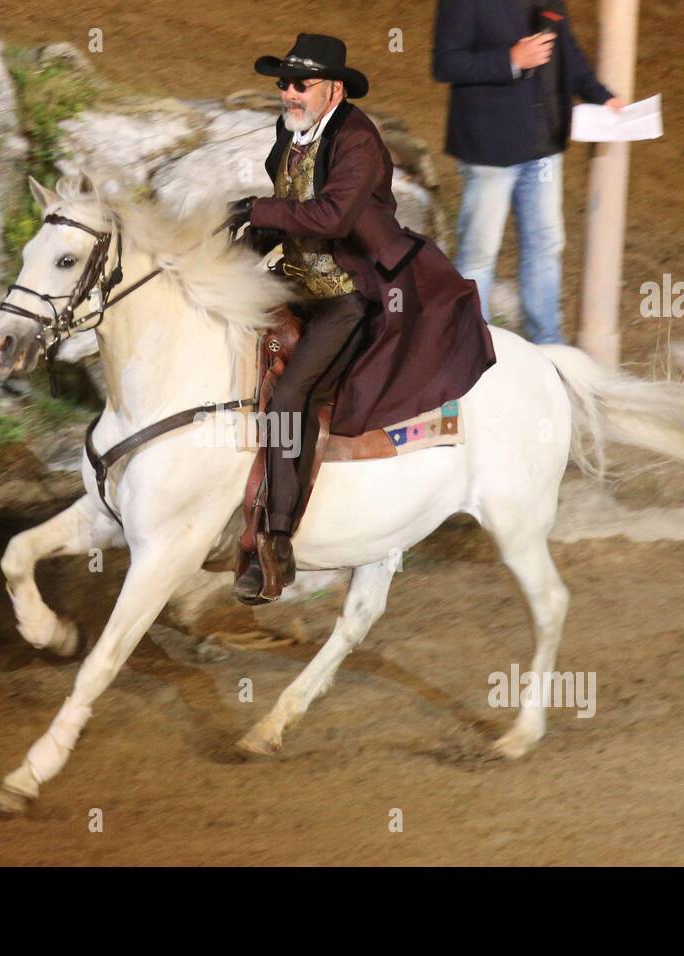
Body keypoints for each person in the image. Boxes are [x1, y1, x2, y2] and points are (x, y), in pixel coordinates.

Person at [225, 33, 496, 604]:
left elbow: (329, 215)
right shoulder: (292, 131)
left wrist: (257, 208)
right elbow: (294, 208)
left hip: (350, 293)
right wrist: (250, 233)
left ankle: (274, 543)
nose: (288, 93)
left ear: (335, 89)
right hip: (299, 279)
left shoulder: (359, 141)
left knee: (291, 395)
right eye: (283, 83)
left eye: (300, 84)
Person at [432, 0, 625, 344]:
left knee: (545, 245)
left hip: (544, 147)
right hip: (490, 148)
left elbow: (567, 50)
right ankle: (475, 348)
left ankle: (548, 345)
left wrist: (601, 96)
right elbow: (446, 63)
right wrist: (510, 60)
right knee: (479, 253)